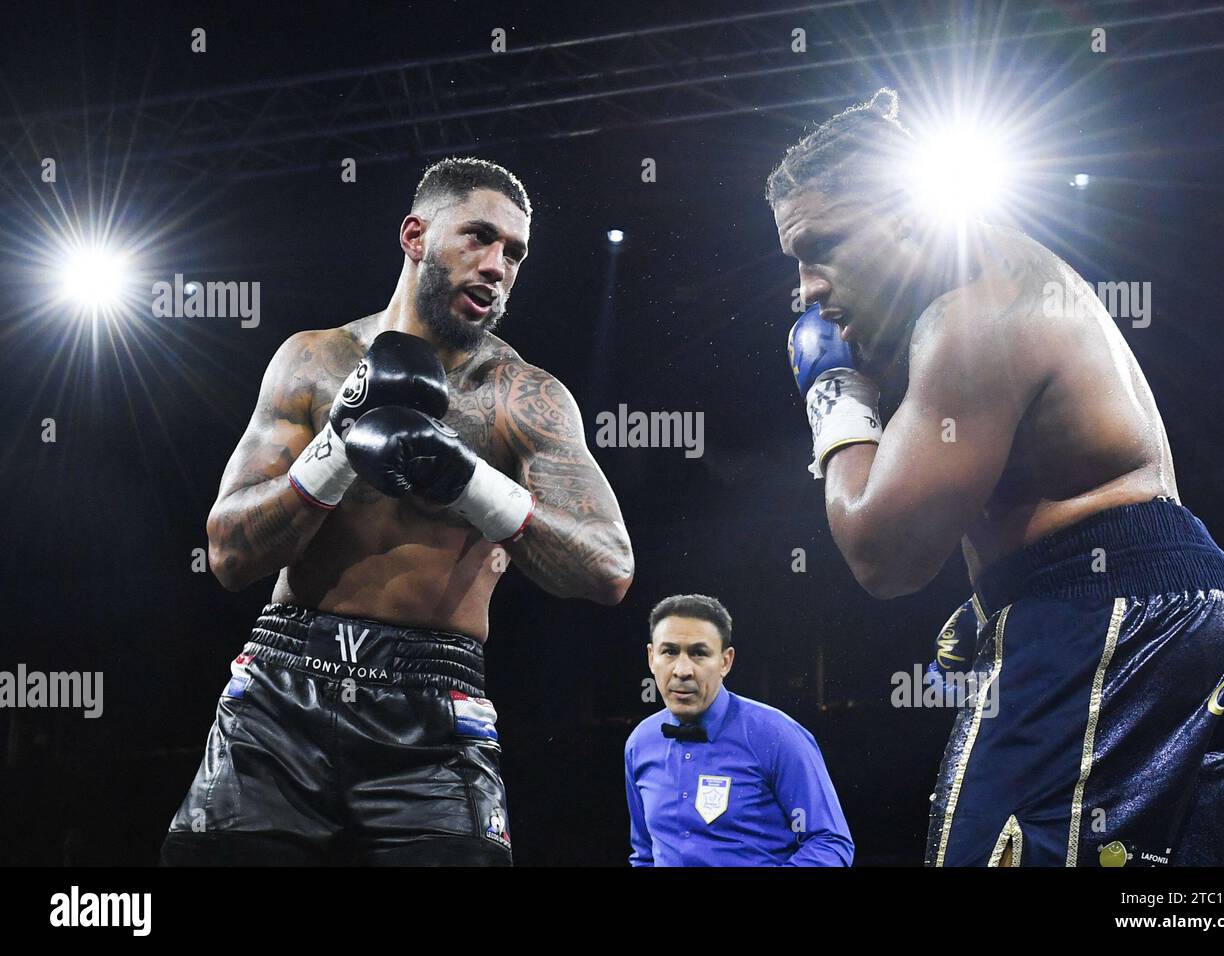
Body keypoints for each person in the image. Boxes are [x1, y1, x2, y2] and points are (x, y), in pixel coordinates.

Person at [766, 89, 1224, 867]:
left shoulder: (972, 314)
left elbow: (885, 554)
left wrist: (832, 395)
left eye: (825, 244)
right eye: (796, 262)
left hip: (1104, 621)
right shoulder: (994, 289)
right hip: (1187, 615)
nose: (808, 288)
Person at [162, 157, 634, 866]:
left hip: (433, 710)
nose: (497, 266)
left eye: (514, 252)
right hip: (280, 690)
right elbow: (229, 556)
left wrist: (470, 480)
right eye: (478, 237)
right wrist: (338, 446)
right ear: (415, 235)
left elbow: (610, 568)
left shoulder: (522, 398)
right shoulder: (313, 362)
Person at [624, 594, 854, 866]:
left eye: (699, 653)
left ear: (725, 661)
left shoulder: (776, 735)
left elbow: (830, 843)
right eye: (670, 651)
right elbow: (645, 855)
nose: (682, 670)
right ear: (652, 658)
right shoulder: (641, 742)